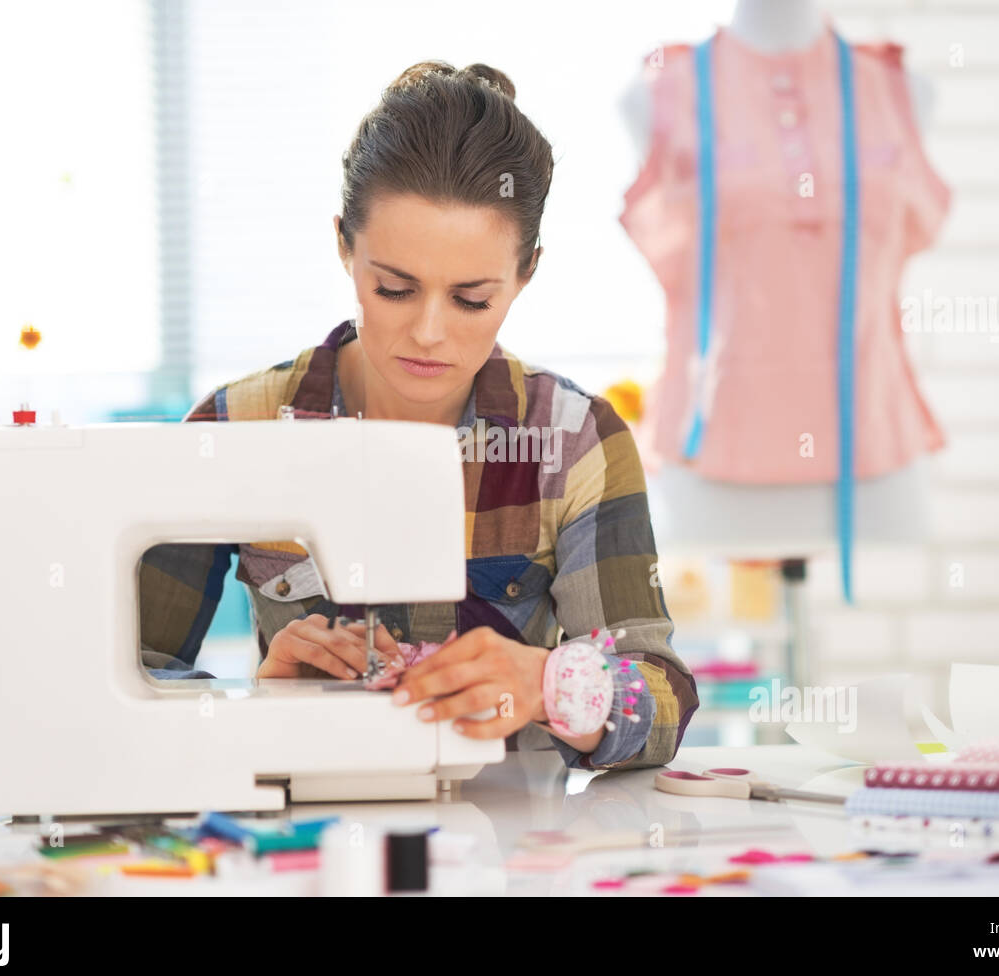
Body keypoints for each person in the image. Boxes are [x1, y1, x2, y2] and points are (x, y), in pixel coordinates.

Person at [139, 61, 698, 770]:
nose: (430, 332)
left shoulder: (576, 444)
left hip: (513, 852)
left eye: (471, 299)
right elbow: (129, 681)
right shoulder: (237, 430)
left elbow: (664, 697)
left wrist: (554, 686)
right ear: (345, 244)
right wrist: (261, 707)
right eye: (395, 288)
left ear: (526, 272)